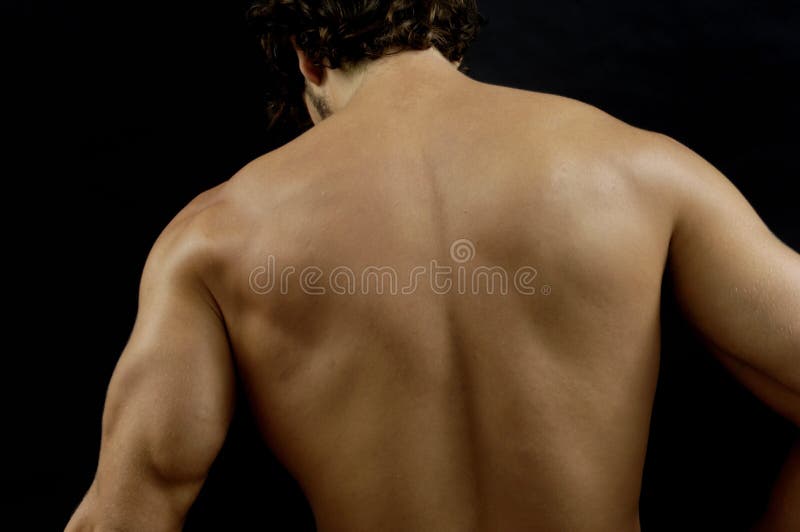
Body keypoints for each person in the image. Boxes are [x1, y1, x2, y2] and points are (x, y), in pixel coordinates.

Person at [66, 1, 799, 530]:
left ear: (308, 57)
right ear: (447, 35)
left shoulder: (214, 236)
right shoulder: (639, 171)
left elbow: (129, 512)